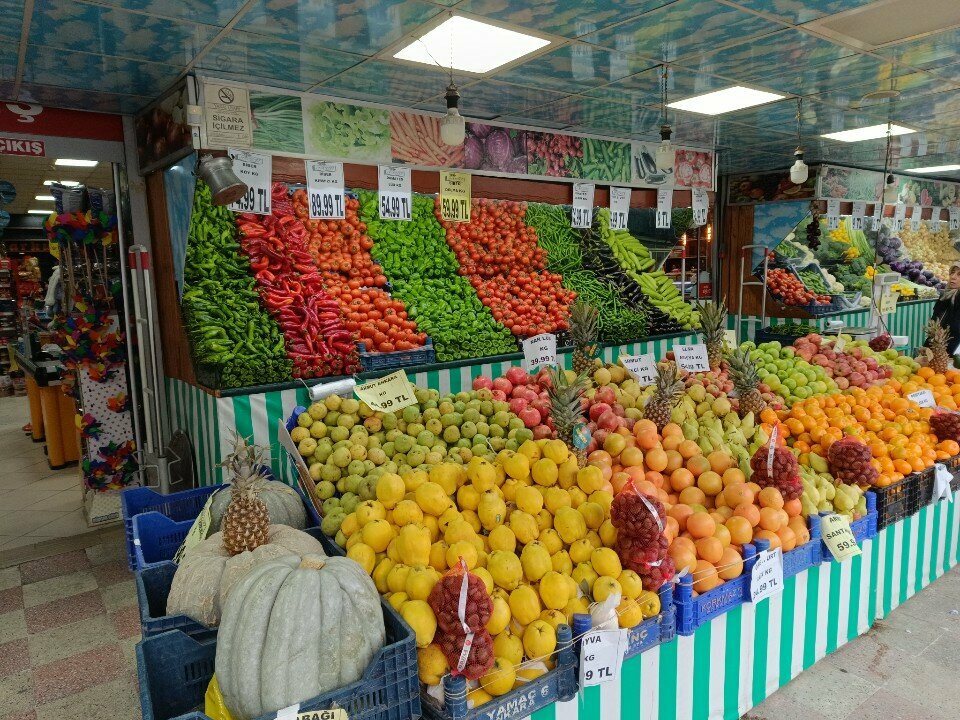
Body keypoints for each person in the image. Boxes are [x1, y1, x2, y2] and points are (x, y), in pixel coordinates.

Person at [931, 261, 960, 354]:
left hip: (953, 351)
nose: (953, 277)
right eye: (952, 272)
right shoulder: (944, 295)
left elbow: (956, 329)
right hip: (936, 346)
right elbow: (935, 321)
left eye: (959, 274)